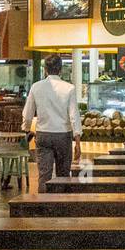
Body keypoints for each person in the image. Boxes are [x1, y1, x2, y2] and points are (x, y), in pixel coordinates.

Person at [22, 54, 82, 191]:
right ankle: (61, 205)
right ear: (61, 69)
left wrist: (26, 129)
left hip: (43, 135)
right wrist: (77, 142)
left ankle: (43, 206)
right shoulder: (69, 88)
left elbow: (27, 113)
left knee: (44, 175)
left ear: (45, 70)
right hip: (63, 136)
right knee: (63, 175)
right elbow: (74, 116)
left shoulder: (36, 87)